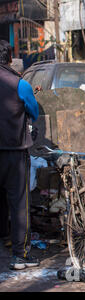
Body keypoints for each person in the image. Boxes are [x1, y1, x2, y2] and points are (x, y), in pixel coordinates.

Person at [0, 40, 39, 270]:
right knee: (19, 203)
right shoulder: (20, 84)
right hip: (15, 152)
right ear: (9, 58)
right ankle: (20, 255)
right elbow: (33, 111)